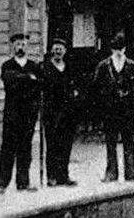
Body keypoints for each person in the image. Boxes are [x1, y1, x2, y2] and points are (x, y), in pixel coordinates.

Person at [92, 35, 134, 182]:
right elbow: (96, 87)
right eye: (116, 49)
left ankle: (131, 172)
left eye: (121, 49)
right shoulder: (103, 66)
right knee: (110, 142)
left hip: (127, 110)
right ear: (111, 50)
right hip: (110, 110)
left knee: (129, 142)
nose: (119, 52)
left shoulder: (132, 65)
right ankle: (111, 173)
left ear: (125, 49)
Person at [0, 33, 42, 193]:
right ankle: (2, 183)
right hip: (12, 113)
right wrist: (28, 78)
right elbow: (9, 81)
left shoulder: (34, 66)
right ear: (13, 47)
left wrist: (26, 79)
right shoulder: (7, 65)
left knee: (25, 148)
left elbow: (38, 87)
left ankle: (23, 182)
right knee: (8, 148)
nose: (20, 47)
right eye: (17, 44)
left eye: (23, 44)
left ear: (27, 46)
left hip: (28, 114)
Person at [41, 39, 80, 187]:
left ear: (65, 51)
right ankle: (51, 176)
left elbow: (75, 85)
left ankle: (63, 175)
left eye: (61, 49)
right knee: (52, 144)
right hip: (51, 112)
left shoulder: (69, 67)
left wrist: (75, 93)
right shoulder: (45, 67)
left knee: (66, 145)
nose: (58, 51)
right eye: (55, 49)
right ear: (52, 50)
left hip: (68, 112)